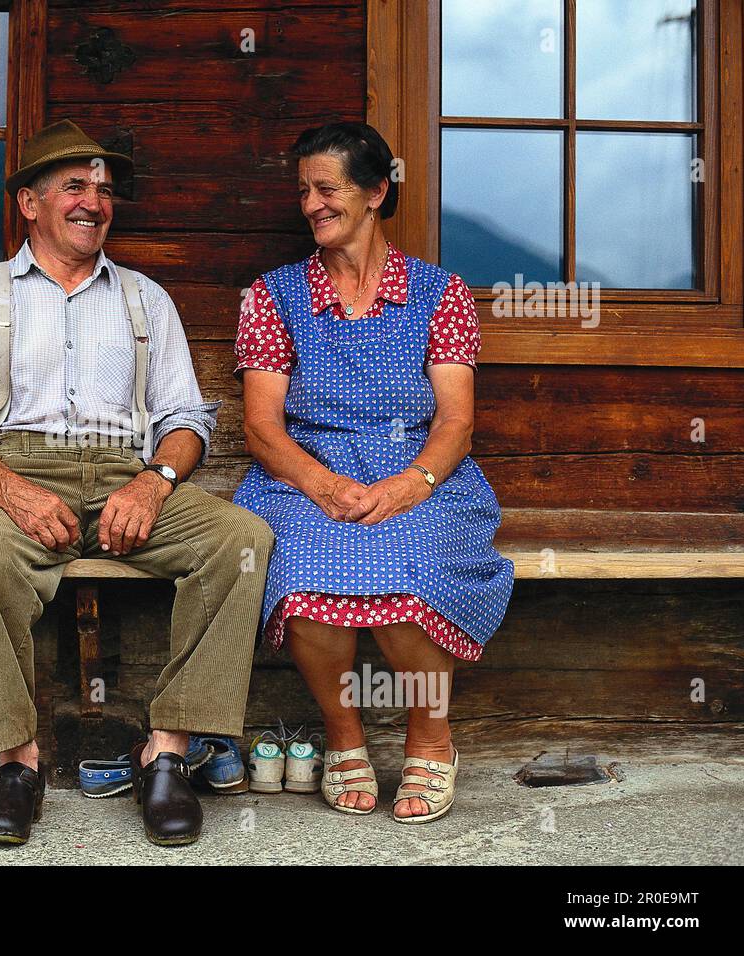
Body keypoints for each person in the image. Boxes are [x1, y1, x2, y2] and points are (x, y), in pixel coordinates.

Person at [0, 120, 274, 847]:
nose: (94, 202)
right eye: (75, 187)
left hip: (125, 474)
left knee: (242, 539)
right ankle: (16, 766)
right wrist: (13, 491)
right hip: (13, 471)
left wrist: (154, 482)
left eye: (104, 190)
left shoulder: (145, 298)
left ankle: (167, 752)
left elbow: (185, 419)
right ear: (29, 202)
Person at [232, 121, 514, 824]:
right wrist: (323, 485)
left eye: (327, 189)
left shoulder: (439, 294)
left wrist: (409, 484)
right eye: (304, 191)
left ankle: (431, 737)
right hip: (305, 474)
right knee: (299, 565)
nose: (311, 204)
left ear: (377, 191)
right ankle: (346, 735)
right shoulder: (273, 296)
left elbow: (455, 421)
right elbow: (263, 427)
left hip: (422, 473)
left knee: (409, 556)